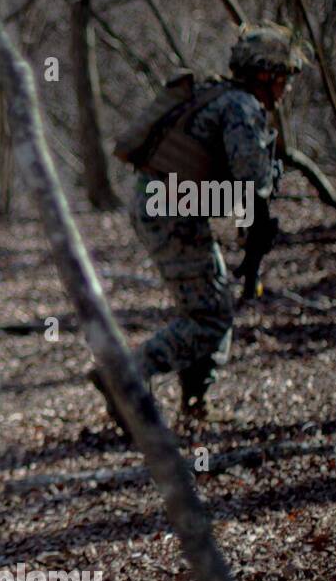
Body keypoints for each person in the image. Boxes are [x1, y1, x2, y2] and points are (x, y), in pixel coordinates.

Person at [94, 22, 305, 429]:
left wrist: (249, 224)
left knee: (212, 306)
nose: (287, 87)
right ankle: (126, 377)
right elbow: (251, 182)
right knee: (209, 316)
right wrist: (261, 198)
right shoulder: (241, 107)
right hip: (172, 209)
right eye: (284, 77)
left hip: (168, 204)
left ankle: (195, 402)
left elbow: (233, 188)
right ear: (265, 75)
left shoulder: (219, 95)